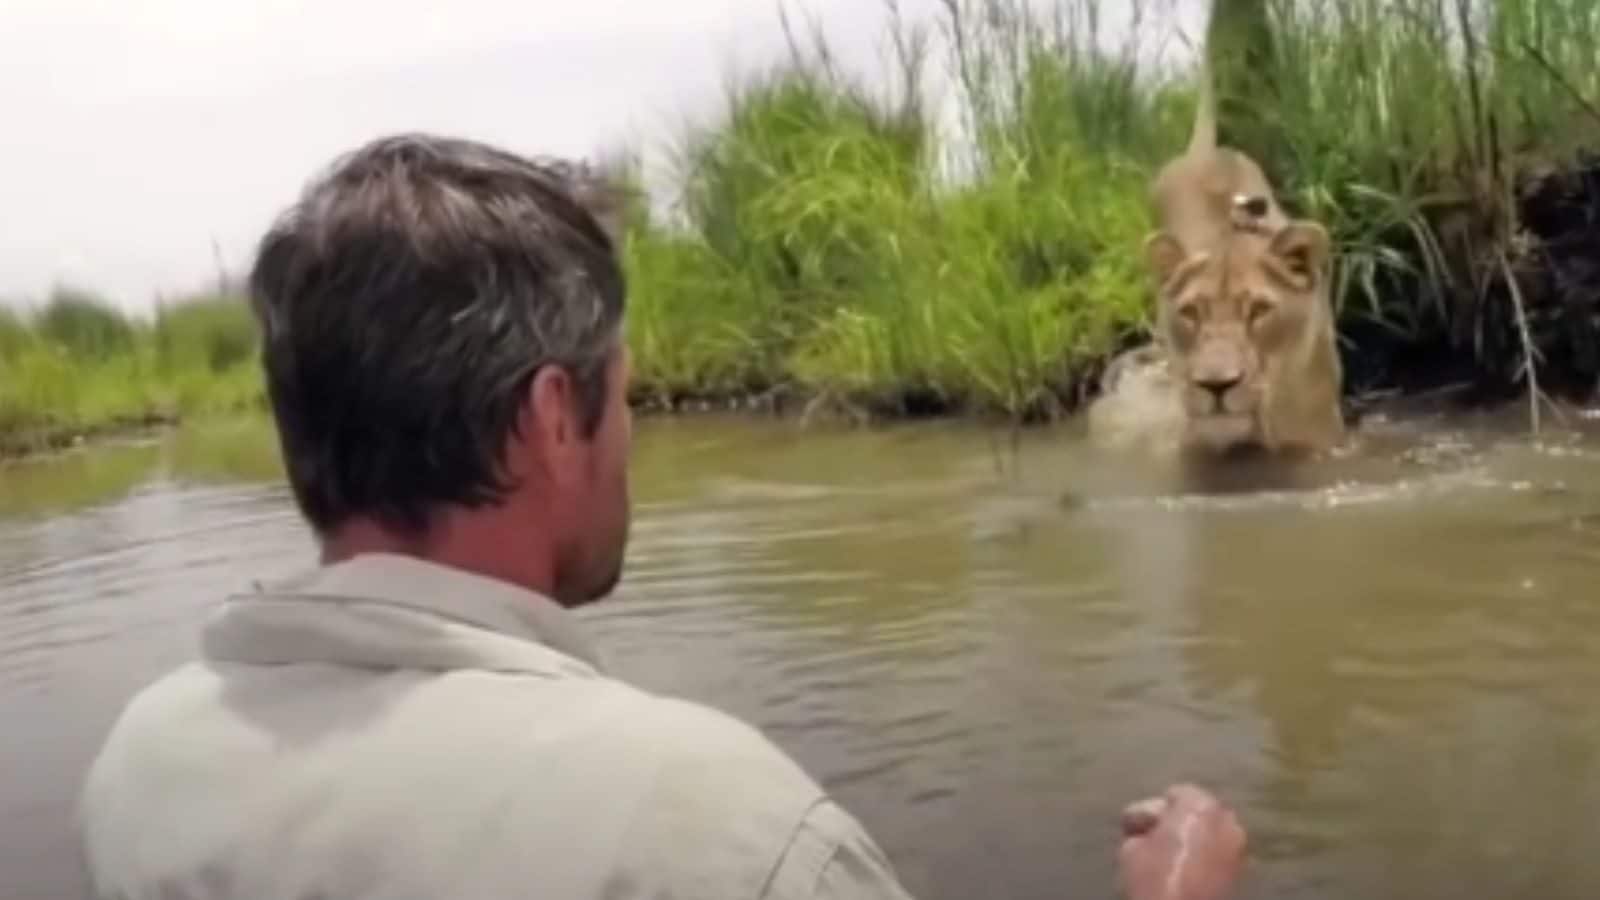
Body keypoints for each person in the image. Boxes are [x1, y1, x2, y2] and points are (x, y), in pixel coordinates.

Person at [76, 133, 1247, 900]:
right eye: (624, 398)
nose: (631, 442)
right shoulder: (715, 834)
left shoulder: (142, 763)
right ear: (549, 418)